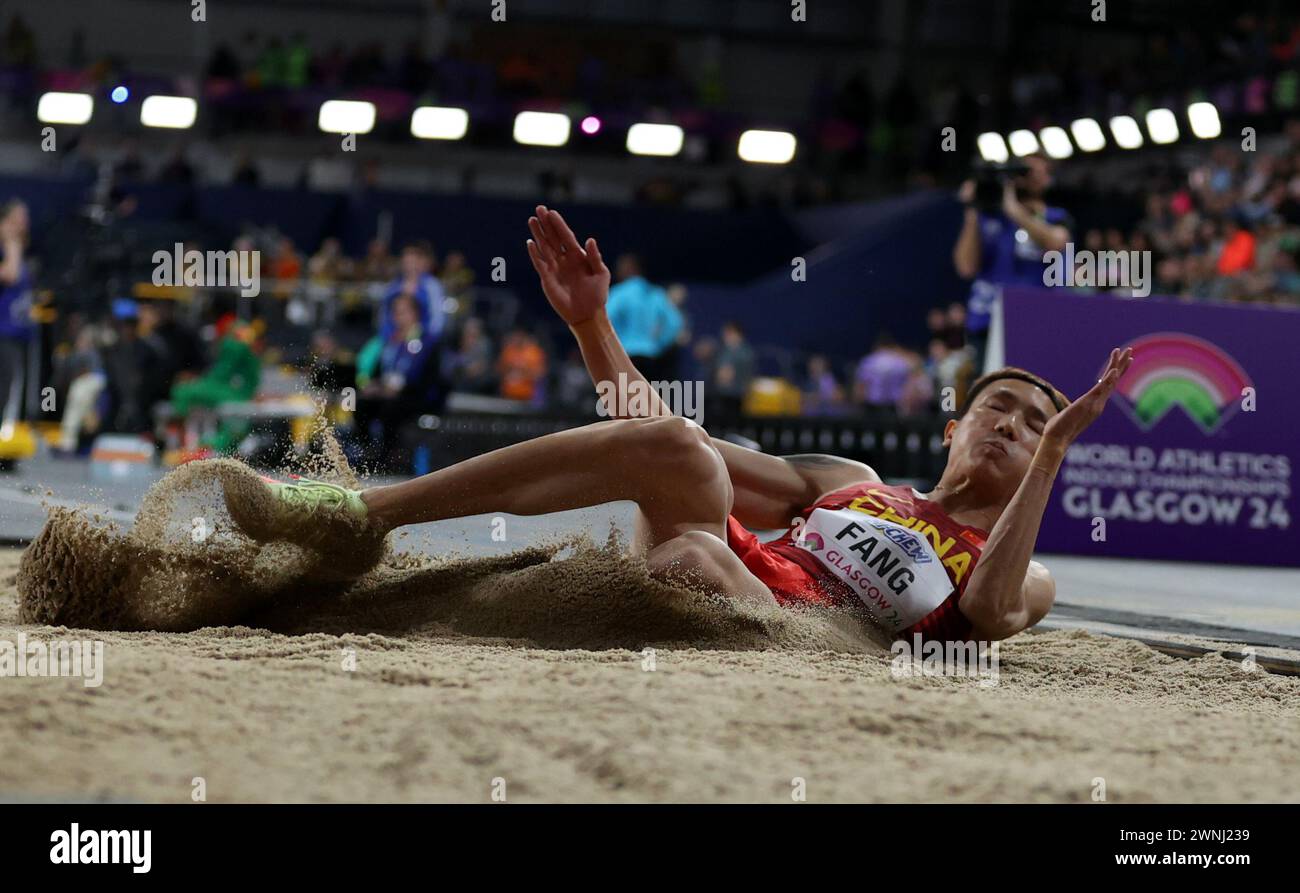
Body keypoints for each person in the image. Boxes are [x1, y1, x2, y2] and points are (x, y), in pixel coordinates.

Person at [221, 206, 1134, 644]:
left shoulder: (1025, 573)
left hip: (797, 629)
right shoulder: (854, 483)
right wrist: (591, 326)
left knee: (697, 559)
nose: (1013, 428)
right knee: (682, 454)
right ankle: (359, 519)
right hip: (738, 564)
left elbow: (985, 616)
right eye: (997, 410)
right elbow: (657, 438)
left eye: (1037, 427)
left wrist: (1056, 455)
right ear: (951, 429)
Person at [952, 154, 1072, 374]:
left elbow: (1055, 243)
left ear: (1048, 179)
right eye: (1023, 172)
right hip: (989, 320)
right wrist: (972, 209)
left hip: (1039, 320)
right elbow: (966, 267)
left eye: (1036, 173)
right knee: (988, 396)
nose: (1028, 178)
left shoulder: (1055, 217)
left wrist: (1013, 208)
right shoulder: (988, 217)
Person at [604, 254, 681, 381]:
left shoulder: (619, 293)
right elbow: (674, 323)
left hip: (625, 357)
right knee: (649, 399)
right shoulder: (656, 293)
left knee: (623, 400)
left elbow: (604, 319)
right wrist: (659, 343)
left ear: (629, 270)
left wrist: (613, 345)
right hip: (652, 358)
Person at [0, 199, 33, 429]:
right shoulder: (8, 249)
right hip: (1, 330)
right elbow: (10, 275)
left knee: (7, 389)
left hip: (16, 333)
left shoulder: (20, 251)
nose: (23, 223)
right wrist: (12, 245)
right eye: (18, 218)